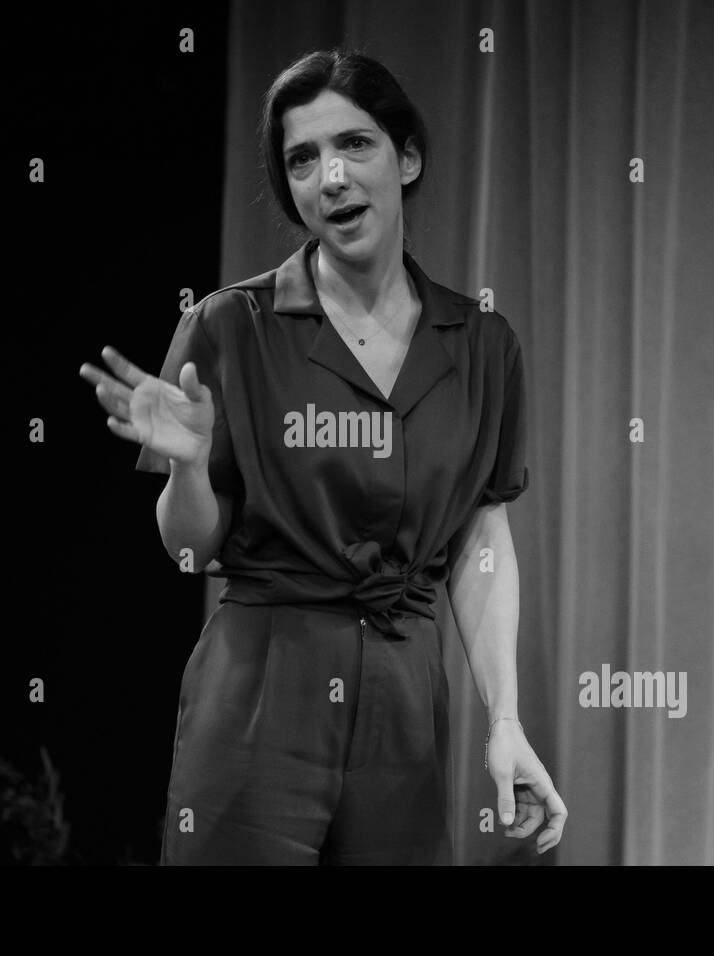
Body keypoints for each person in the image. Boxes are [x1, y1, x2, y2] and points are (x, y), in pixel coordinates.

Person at [78, 48, 567, 865]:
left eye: (355, 146)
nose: (330, 177)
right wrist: (192, 466)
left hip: (407, 705)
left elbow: (481, 542)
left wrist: (506, 722)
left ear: (406, 158)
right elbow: (191, 549)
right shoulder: (230, 327)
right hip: (262, 688)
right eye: (302, 160)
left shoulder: (482, 345)